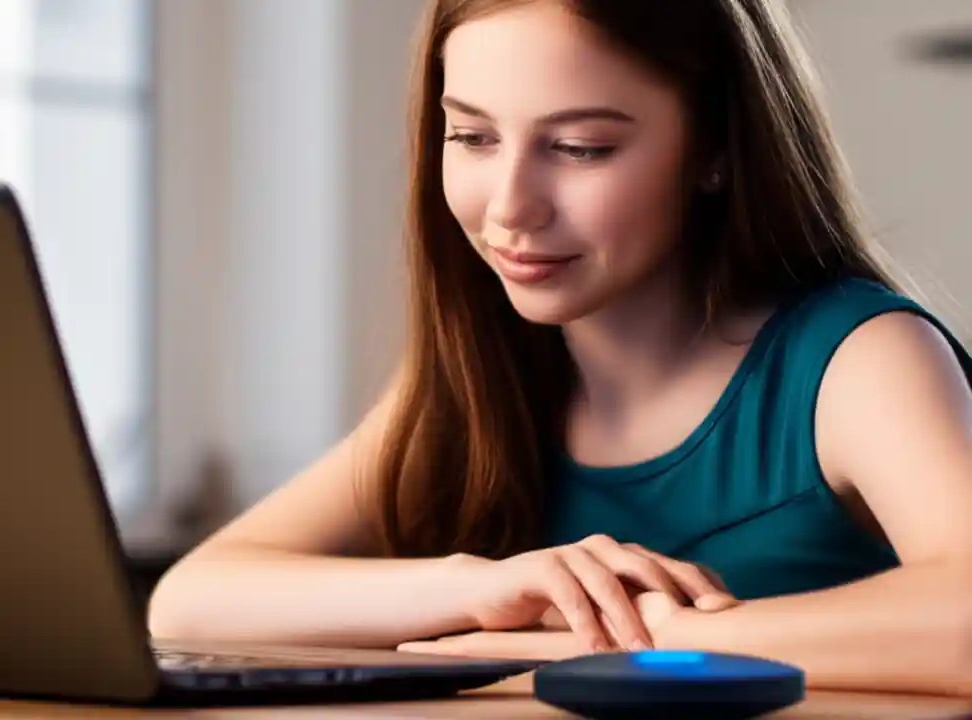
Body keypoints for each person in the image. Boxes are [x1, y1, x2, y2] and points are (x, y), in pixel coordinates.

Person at [149, 0, 972, 696]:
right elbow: (191, 602)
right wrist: (481, 588)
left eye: (579, 148)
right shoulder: (487, 370)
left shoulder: (861, 360)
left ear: (716, 151)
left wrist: (633, 642)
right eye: (472, 138)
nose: (510, 208)